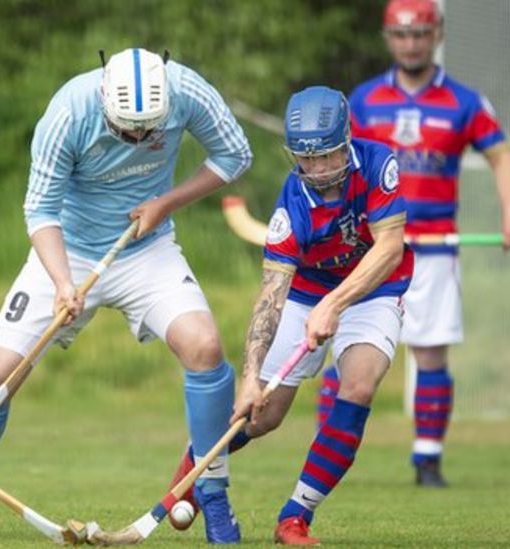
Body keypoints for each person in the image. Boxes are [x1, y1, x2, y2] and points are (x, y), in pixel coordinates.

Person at [0, 48, 253, 544]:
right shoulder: (69, 112)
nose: (139, 140)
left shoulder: (184, 89)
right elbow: (40, 211)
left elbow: (235, 154)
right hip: (66, 252)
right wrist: (62, 283)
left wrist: (166, 202)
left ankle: (213, 492)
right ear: (104, 99)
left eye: (149, 131)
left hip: (147, 249)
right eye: (128, 131)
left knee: (205, 347)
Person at [166, 86, 413, 545]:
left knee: (358, 385)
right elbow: (270, 297)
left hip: (375, 289)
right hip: (305, 293)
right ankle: (189, 480)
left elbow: (390, 248)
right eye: (305, 158)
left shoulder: (379, 163)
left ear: (346, 141)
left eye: (326, 157)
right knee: (262, 416)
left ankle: (295, 516)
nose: (316, 169)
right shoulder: (293, 203)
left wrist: (334, 304)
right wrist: (250, 378)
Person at [316, 0, 510, 487]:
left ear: (437, 35)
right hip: (369, 252)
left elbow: (502, 157)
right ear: (387, 37)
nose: (410, 44)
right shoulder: (364, 101)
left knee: (430, 352)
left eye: (419, 34)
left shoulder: (465, 102)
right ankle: (326, 453)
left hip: (432, 248)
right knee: (346, 352)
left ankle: (427, 462)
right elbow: (335, 170)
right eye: (400, 34)